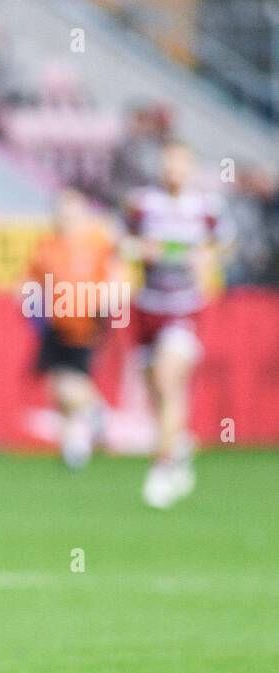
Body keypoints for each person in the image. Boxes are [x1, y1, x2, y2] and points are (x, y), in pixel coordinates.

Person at [123, 142, 232, 508]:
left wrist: (207, 259)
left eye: (179, 164)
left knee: (170, 379)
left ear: (190, 168)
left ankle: (162, 467)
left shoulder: (205, 208)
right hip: (148, 305)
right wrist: (139, 249)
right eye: (167, 163)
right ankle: (179, 444)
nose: (173, 170)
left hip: (184, 307)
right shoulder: (143, 204)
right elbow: (123, 241)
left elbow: (224, 245)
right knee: (154, 387)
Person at [23, 189, 120, 468]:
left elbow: (116, 274)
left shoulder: (96, 242)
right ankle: (75, 444)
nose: (65, 214)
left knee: (70, 380)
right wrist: (34, 313)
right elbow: (32, 283)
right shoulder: (47, 245)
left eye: (71, 207)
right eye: (61, 207)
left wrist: (109, 304)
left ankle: (96, 414)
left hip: (86, 321)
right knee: (57, 385)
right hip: (56, 323)